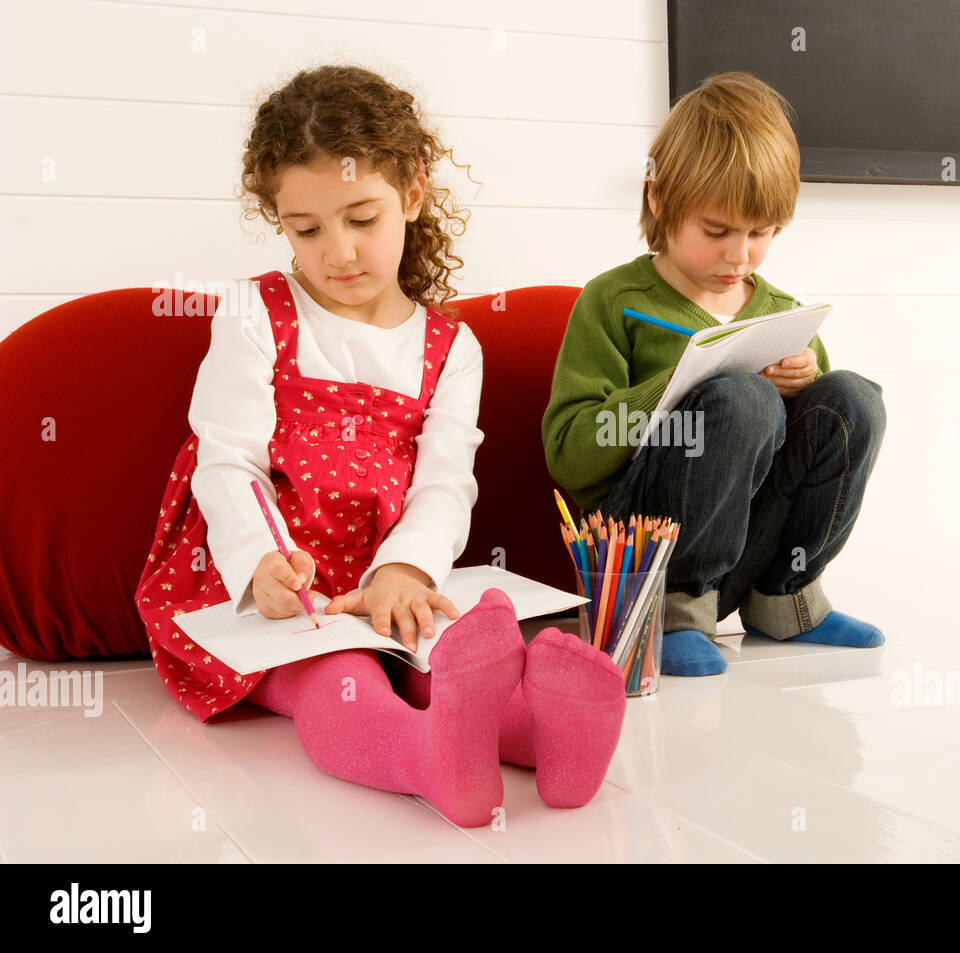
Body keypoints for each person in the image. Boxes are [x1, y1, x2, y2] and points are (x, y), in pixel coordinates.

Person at [134, 65, 625, 828]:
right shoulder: (255, 312)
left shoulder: (451, 347)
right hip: (273, 590)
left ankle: (552, 733)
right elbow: (226, 457)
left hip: (383, 583)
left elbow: (443, 485)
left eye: (362, 217)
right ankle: (429, 762)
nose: (338, 252)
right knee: (343, 676)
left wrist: (402, 569)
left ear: (414, 195)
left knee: (438, 663)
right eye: (307, 229)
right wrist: (260, 562)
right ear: (281, 223)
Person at [542, 71, 888, 677]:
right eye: (717, 231)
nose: (739, 254)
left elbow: (822, 427)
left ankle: (787, 598)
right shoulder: (615, 300)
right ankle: (672, 613)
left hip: (746, 548)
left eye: (761, 233)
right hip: (646, 554)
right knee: (743, 399)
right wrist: (676, 385)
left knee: (853, 399)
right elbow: (570, 453)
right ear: (658, 199)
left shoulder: (777, 308)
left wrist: (808, 374)